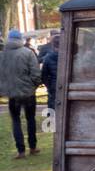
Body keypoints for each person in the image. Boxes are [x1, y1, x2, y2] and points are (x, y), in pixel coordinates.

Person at [1, 27, 42, 159]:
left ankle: (21, 151)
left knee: (16, 121)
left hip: (12, 94)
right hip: (28, 93)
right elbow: (36, 73)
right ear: (20, 39)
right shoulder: (28, 52)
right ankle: (33, 147)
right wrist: (34, 86)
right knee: (30, 119)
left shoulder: (2, 55)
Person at [40, 33, 60, 114]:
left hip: (53, 86)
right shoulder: (71, 56)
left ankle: (52, 125)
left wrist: (49, 85)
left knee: (52, 109)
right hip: (63, 85)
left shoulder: (48, 58)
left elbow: (44, 75)